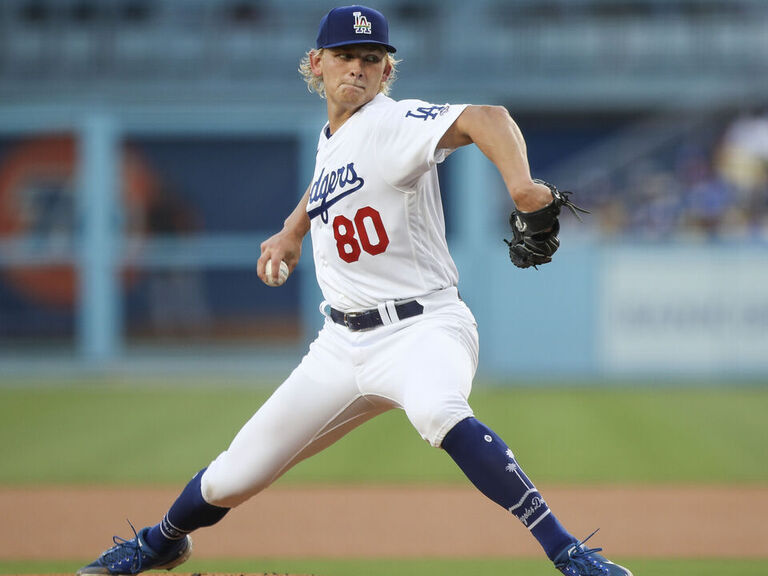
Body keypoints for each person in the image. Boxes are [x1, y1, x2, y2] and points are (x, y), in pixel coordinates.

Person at [78, 6, 632, 576]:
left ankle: (571, 554)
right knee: (230, 476)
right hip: (341, 346)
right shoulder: (334, 137)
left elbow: (488, 117)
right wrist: (294, 229)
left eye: (372, 59)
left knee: (439, 411)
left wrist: (520, 185)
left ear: (386, 73)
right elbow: (332, 181)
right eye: (345, 56)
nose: (358, 68)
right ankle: (159, 542)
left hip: (423, 327)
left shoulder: (392, 124)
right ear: (316, 64)